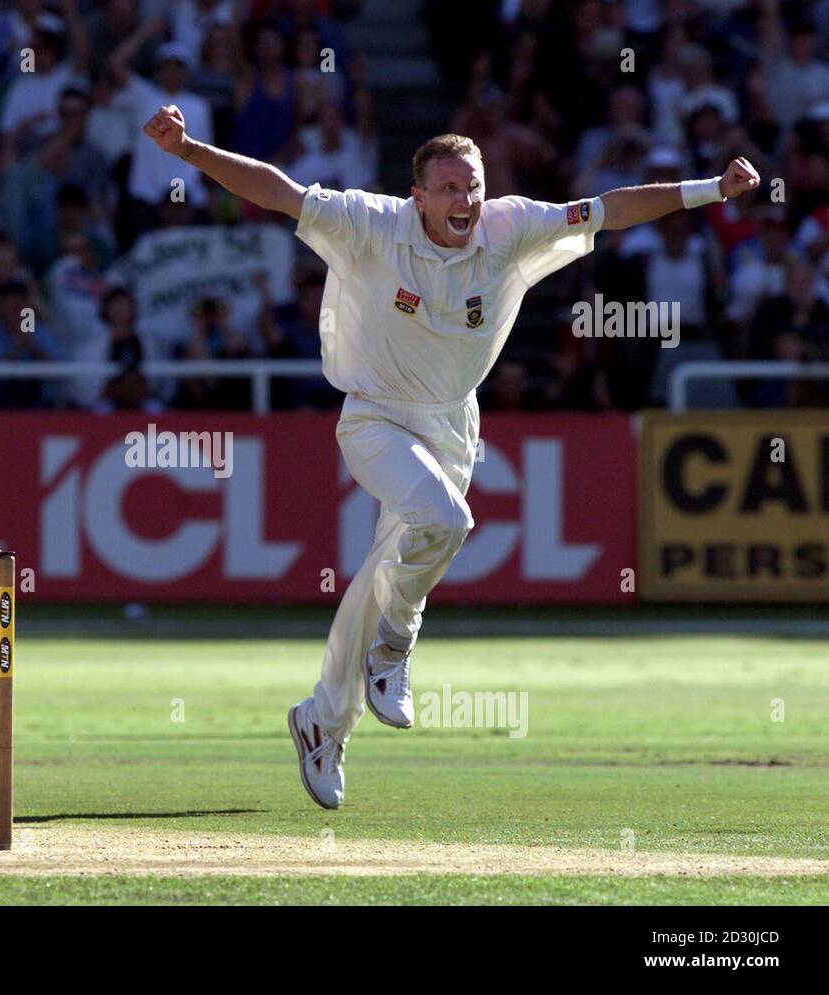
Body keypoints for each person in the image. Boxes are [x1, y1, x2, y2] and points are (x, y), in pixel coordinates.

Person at [142, 105, 761, 809]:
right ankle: (399, 643)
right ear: (419, 197)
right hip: (375, 415)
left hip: (452, 423)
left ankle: (322, 720)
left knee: (383, 567)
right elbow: (277, 190)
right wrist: (188, 148)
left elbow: (611, 209)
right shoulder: (372, 223)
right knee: (447, 519)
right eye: (448, 189)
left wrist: (709, 188)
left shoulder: (510, 226)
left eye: (472, 187)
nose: (463, 201)